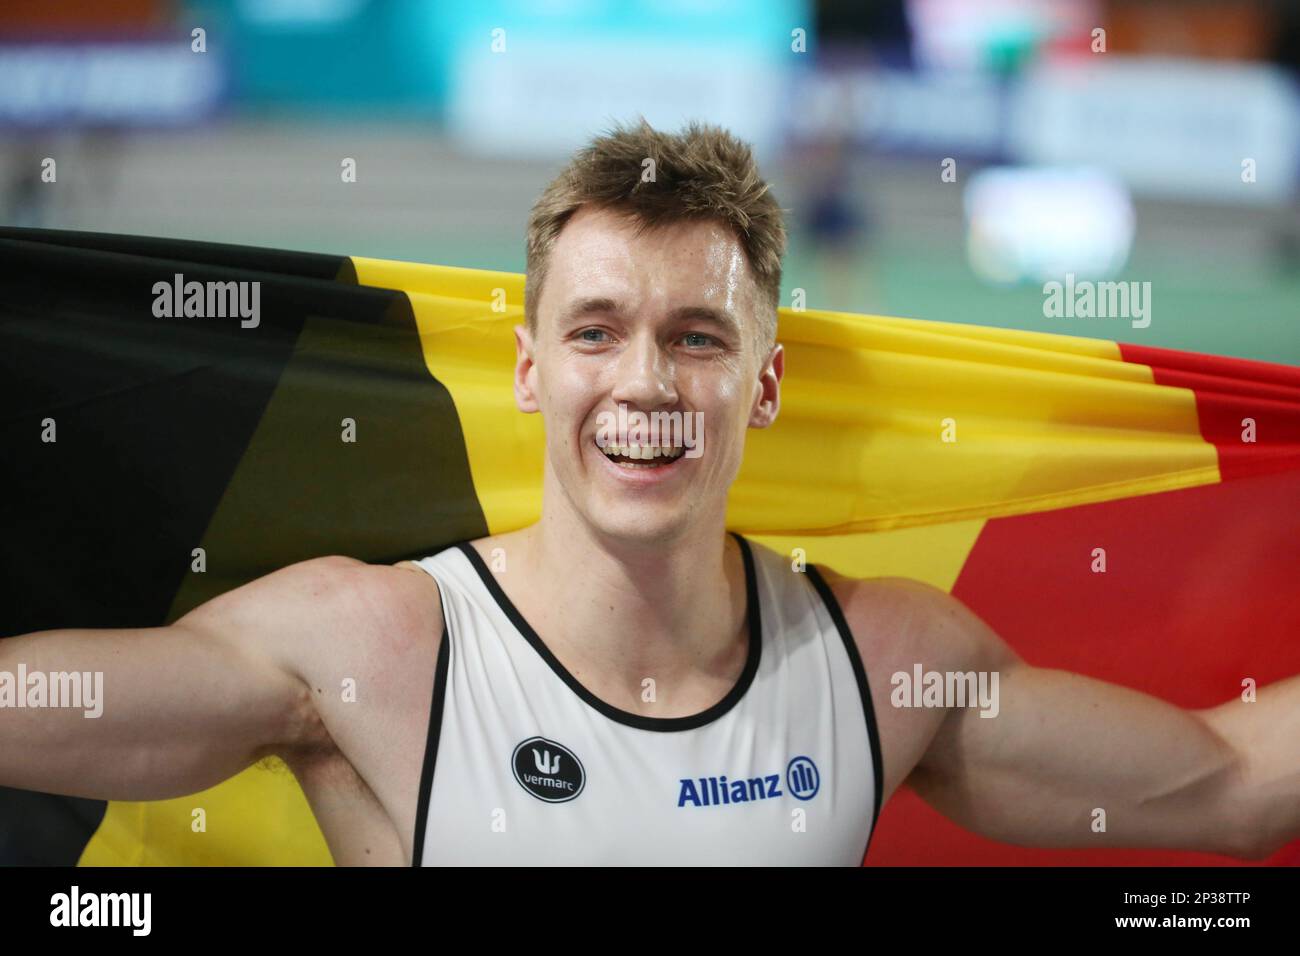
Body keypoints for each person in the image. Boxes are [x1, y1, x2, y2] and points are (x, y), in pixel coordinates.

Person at [2, 119, 1297, 866]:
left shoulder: (884, 666)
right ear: (526, 371)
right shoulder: (372, 649)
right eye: (595, 331)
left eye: (696, 337)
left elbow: (1232, 787)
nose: (644, 383)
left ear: (766, 384)